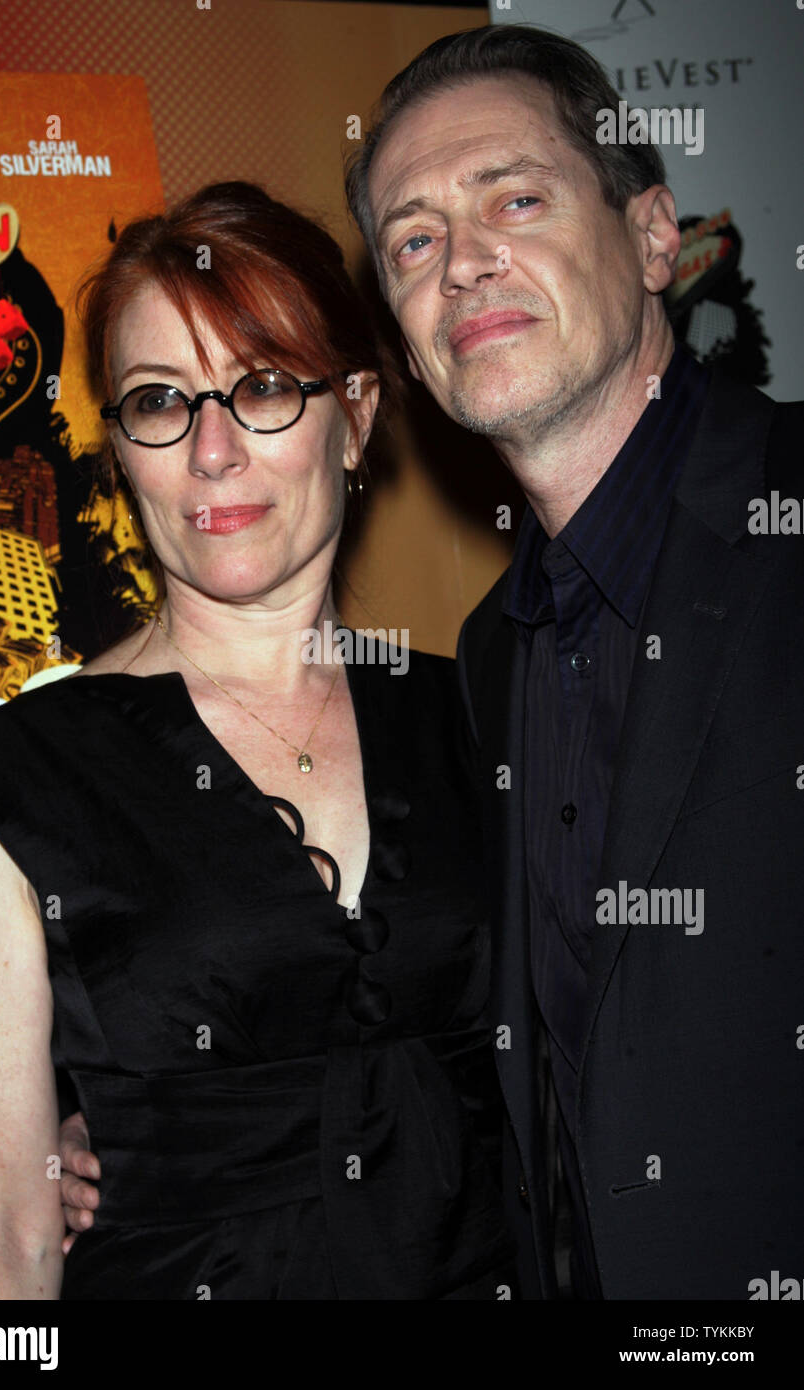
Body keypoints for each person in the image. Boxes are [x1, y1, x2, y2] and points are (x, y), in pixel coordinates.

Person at [0, 181, 518, 1300]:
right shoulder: (5, 792)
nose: (213, 450)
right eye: (159, 401)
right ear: (122, 451)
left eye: (265, 387)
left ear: (360, 417)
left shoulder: (492, 711)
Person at [339, 23, 802, 1299]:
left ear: (655, 236)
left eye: (517, 199)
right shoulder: (493, 651)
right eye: (415, 242)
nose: (464, 264)